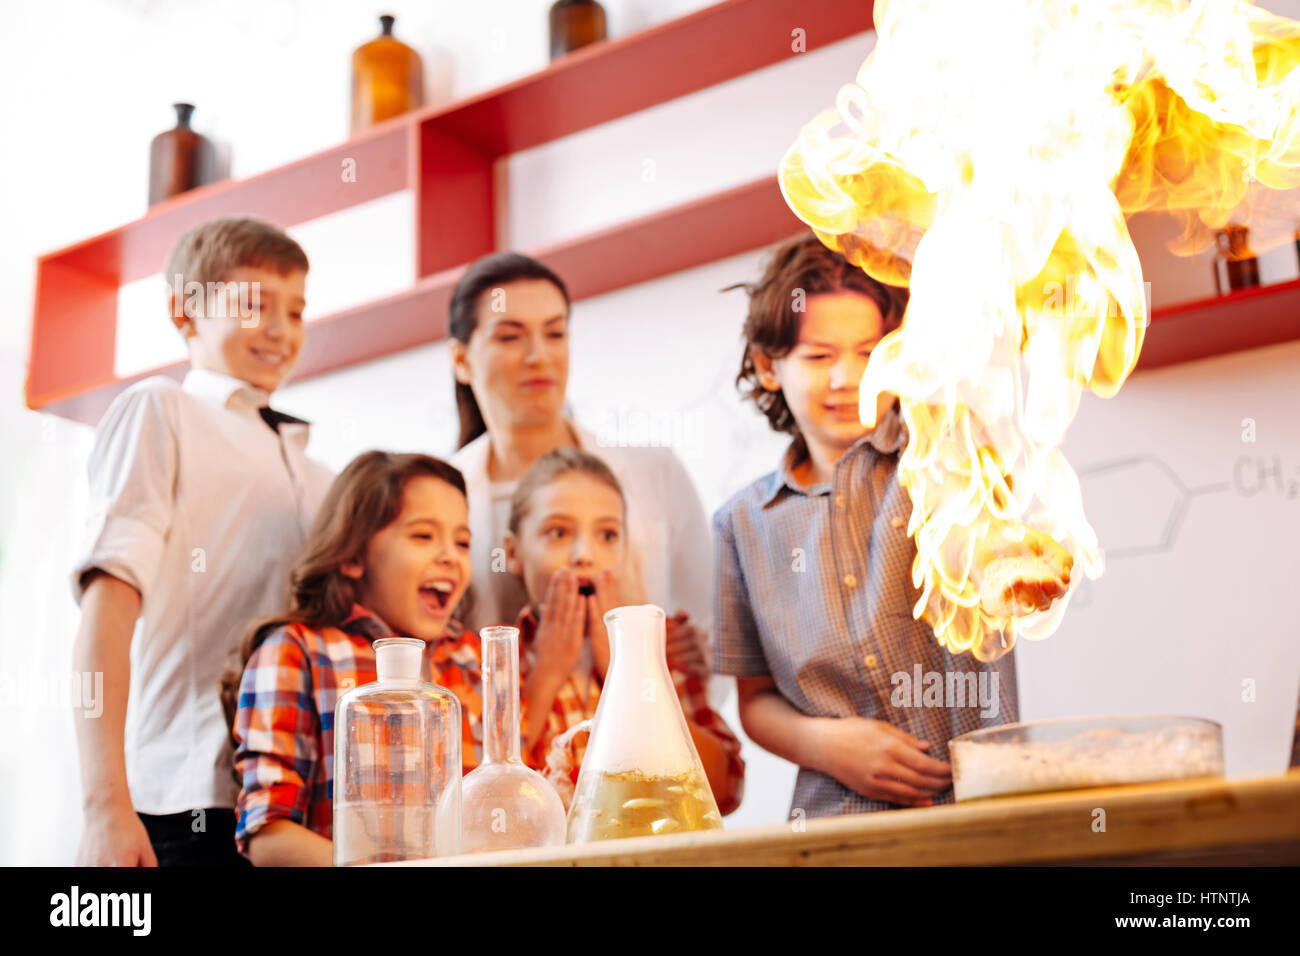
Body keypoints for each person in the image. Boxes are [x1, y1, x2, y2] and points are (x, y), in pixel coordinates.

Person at [712, 233, 1071, 819]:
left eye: (869, 351)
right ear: (767, 367)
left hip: (985, 808)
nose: (847, 377)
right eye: (819, 356)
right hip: (836, 824)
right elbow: (754, 700)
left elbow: (995, 563)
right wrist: (826, 745)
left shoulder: (949, 459)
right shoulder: (741, 526)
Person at [71, 217, 334, 867]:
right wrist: (106, 805)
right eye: (254, 304)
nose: (279, 330)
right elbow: (108, 605)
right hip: (187, 802)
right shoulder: (161, 410)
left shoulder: (321, 473)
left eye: (296, 311)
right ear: (184, 311)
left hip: (290, 810)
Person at [446, 252, 718, 699]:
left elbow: (705, 639)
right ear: (461, 360)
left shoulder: (656, 473)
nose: (539, 356)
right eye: (510, 336)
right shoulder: (444, 495)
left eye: (555, 333)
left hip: (646, 744)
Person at [223, 452, 479, 866]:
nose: (451, 555)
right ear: (353, 555)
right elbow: (267, 836)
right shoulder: (295, 651)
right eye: (423, 536)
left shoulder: (470, 657)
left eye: (463, 542)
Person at [503, 448, 744, 814]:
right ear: (513, 552)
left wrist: (631, 668)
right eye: (558, 532)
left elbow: (725, 790)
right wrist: (547, 676)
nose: (584, 554)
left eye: (607, 535)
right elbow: (487, 802)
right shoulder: (494, 659)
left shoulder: (664, 646)